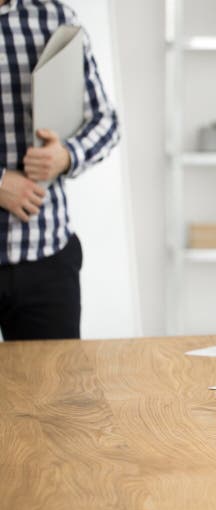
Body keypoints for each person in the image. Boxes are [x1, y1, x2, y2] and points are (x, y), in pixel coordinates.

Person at [0, 0, 120, 340]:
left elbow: (106, 121)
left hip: (47, 257)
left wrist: (66, 155)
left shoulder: (54, 17)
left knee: (54, 391)